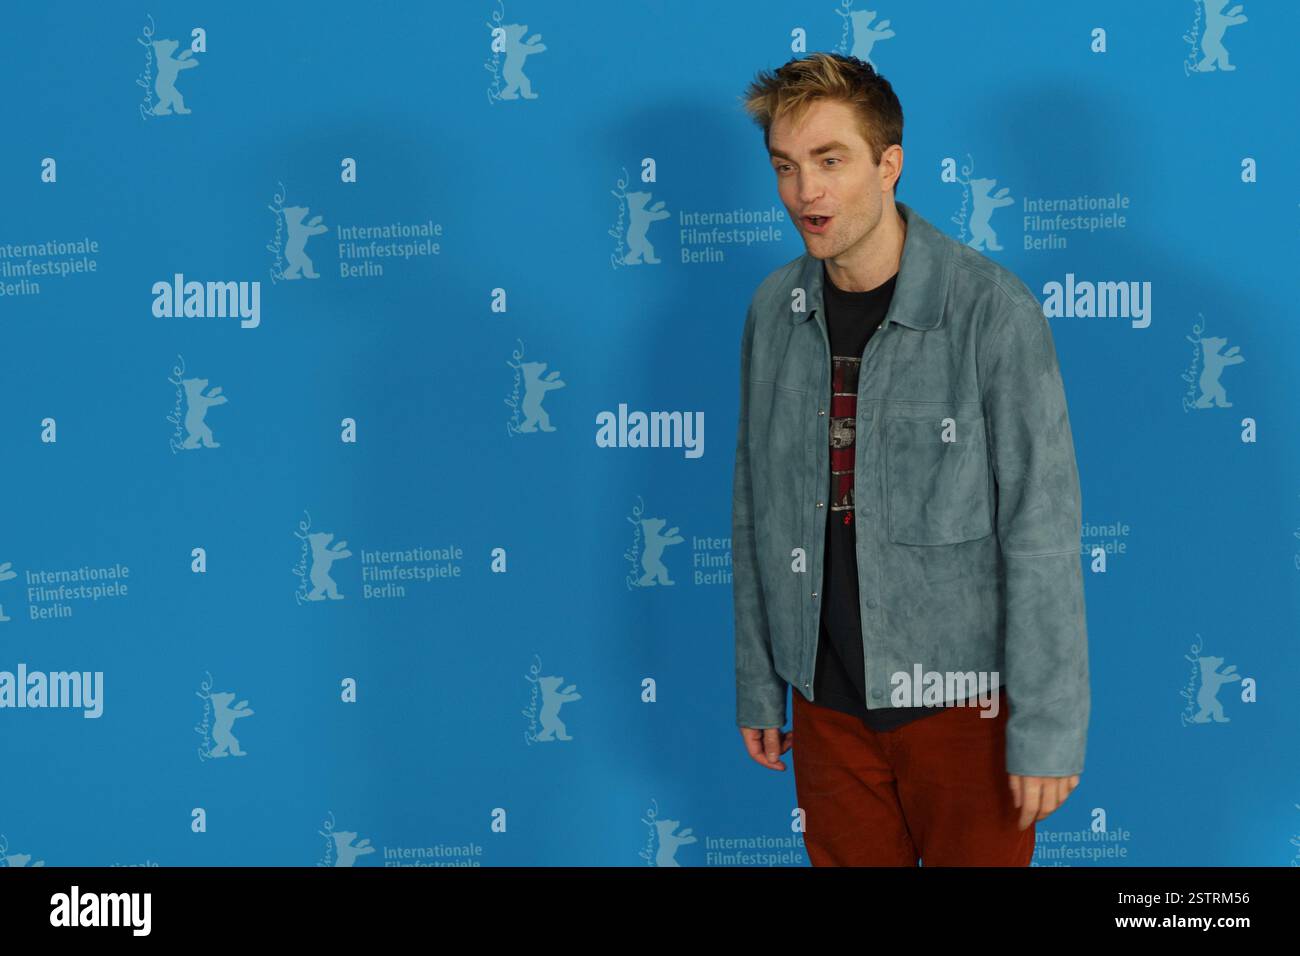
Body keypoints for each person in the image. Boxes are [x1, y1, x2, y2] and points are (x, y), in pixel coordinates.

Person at [731, 52, 1090, 866]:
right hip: (826, 713)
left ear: (889, 164)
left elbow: (1042, 528)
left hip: (964, 712)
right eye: (786, 167)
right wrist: (761, 680)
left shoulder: (990, 311)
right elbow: (756, 501)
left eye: (830, 161)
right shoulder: (773, 311)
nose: (806, 193)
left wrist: (1049, 727)